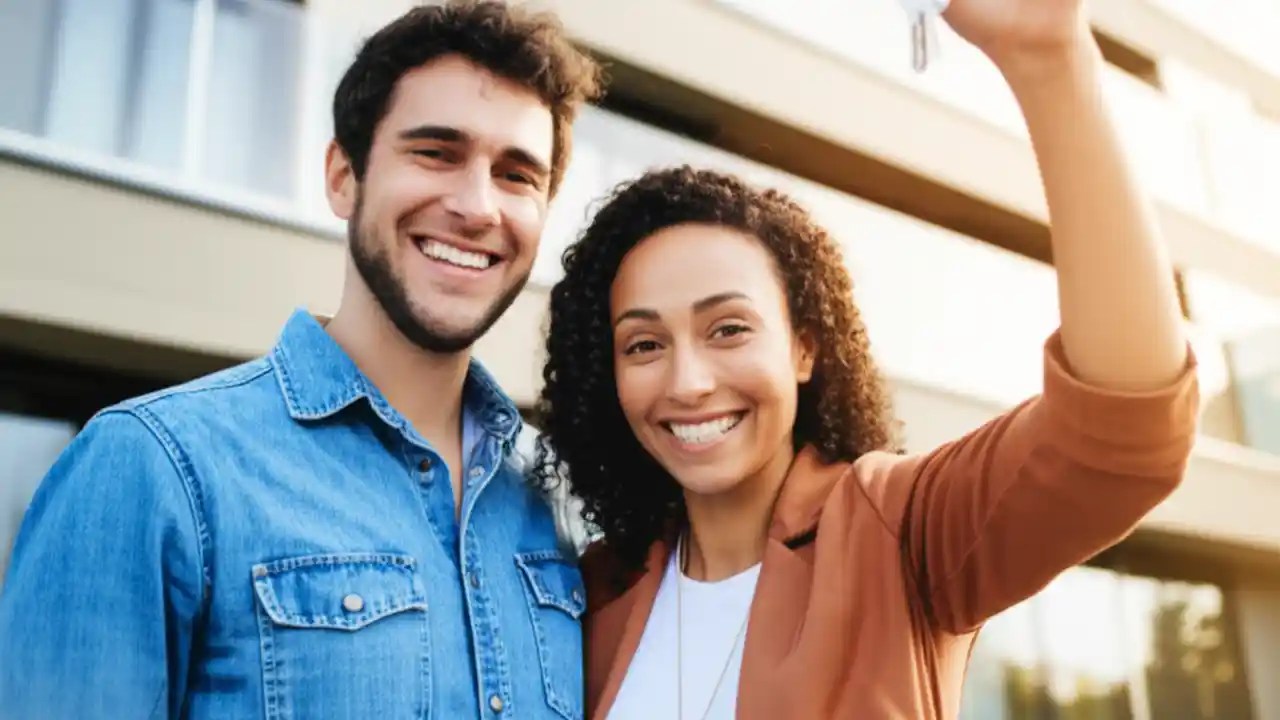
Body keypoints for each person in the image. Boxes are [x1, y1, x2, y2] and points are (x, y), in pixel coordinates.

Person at [532, 0, 1199, 718]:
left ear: (805, 349)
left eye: (728, 329)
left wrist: (1054, 61)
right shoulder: (596, 588)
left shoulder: (898, 529)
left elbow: (1122, 437)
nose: (689, 381)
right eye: (644, 345)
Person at [0, 2, 602, 718]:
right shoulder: (153, 466)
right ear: (343, 177)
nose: (477, 206)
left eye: (516, 175)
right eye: (435, 152)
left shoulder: (556, 499)